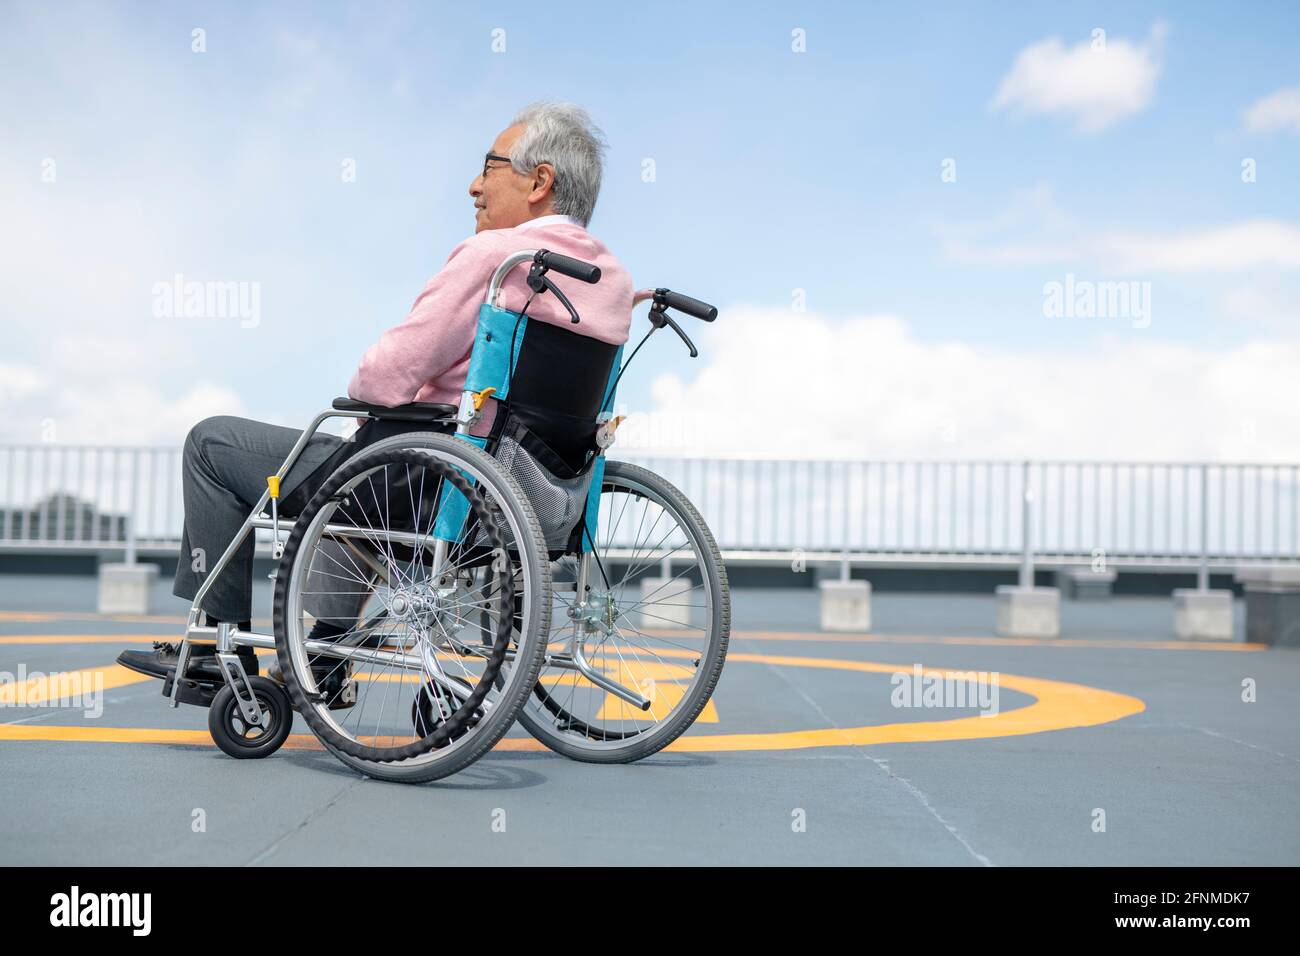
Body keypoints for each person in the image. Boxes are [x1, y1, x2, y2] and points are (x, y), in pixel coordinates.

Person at [118, 101, 634, 683]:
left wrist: (372, 393)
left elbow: (386, 374)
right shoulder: (613, 284)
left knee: (214, 444)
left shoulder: (499, 257)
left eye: (489, 167)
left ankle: (218, 648)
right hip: (531, 500)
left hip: (430, 487)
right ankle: (323, 658)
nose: (474, 186)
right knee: (363, 457)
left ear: (539, 181)